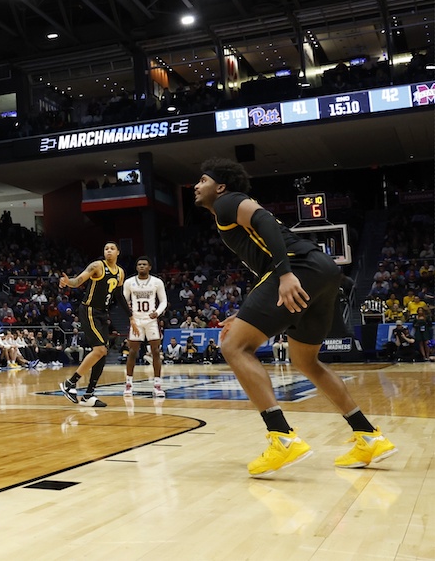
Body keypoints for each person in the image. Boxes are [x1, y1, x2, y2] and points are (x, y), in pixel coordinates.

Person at [194, 158, 395, 477]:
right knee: (306, 361)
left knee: (234, 346)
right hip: (322, 271)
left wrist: (286, 274)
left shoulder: (227, 202)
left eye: (203, 180)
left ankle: (282, 437)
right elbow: (266, 266)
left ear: (220, 186)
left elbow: (264, 220)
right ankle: (369, 435)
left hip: (298, 269)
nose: (196, 186)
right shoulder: (227, 211)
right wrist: (243, 311)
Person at [59, 242, 129, 407]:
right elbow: (78, 281)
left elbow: (119, 296)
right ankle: (70, 383)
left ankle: (88, 395)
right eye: (106, 248)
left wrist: (131, 316)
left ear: (118, 252)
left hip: (103, 313)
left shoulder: (120, 272)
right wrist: (68, 282)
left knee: (102, 354)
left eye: (112, 248)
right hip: (89, 310)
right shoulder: (97, 266)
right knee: (100, 350)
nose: (108, 251)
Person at [122, 256, 168, 398]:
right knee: (132, 352)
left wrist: (157, 313)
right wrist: (128, 310)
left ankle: (157, 385)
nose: (142, 266)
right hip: (136, 321)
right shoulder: (129, 282)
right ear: (136, 267)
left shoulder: (157, 282)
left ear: (150, 267)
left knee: (156, 351)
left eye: (144, 264)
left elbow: (164, 301)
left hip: (151, 320)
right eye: (139, 264)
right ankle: (128, 384)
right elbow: (124, 300)